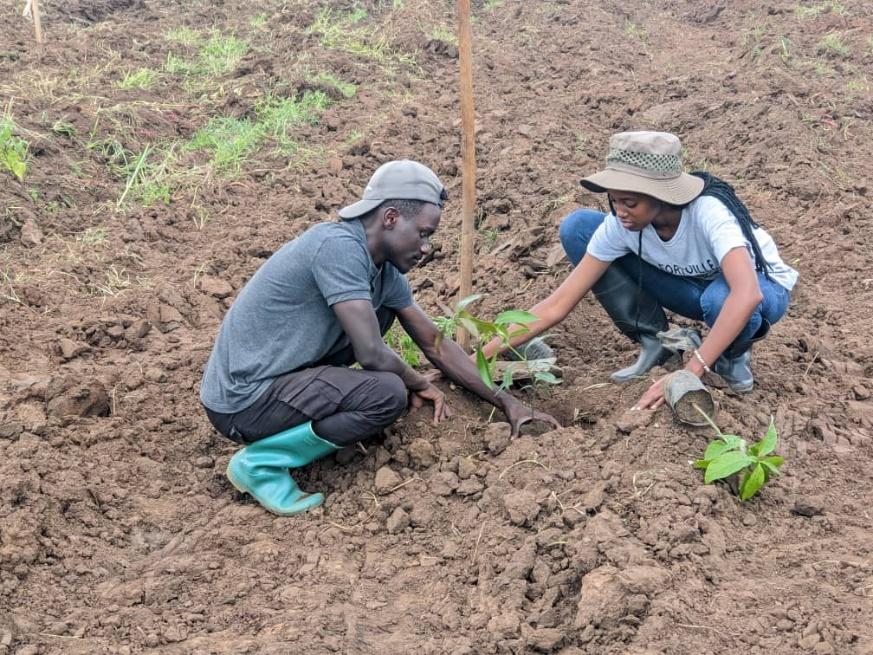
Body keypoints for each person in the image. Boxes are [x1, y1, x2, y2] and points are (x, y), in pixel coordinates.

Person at [200, 160, 558, 516]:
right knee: (386, 393)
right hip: (243, 401)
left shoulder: (384, 272)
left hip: (282, 381)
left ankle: (317, 416)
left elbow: (434, 344)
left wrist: (506, 402)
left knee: (384, 314)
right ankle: (261, 464)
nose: (426, 248)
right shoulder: (337, 247)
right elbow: (371, 353)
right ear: (390, 218)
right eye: (423, 233)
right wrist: (418, 382)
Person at [480, 131, 798, 410]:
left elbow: (747, 293)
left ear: (662, 194)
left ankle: (730, 354)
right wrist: (479, 359)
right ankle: (656, 343)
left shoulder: (708, 212)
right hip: (689, 287)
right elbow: (557, 305)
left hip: (760, 289)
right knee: (579, 228)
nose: (620, 211)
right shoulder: (621, 225)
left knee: (721, 299)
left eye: (630, 202)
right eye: (614, 201)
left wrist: (691, 370)